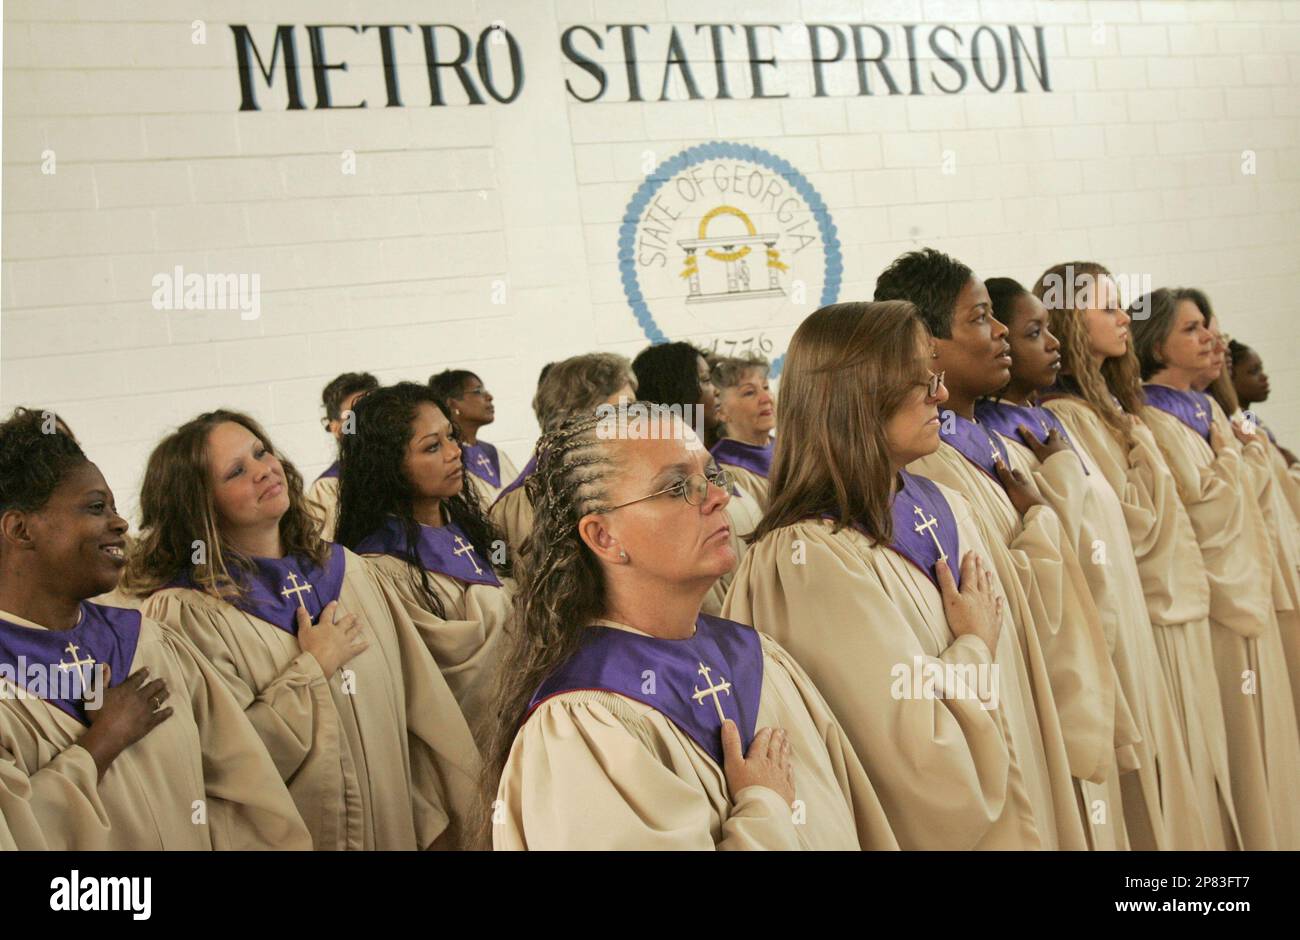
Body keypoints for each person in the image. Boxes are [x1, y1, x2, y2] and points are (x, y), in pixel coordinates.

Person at [724, 300, 1071, 849]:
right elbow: (917, 754)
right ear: (858, 395)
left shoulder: (947, 504)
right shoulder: (809, 559)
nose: (939, 393)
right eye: (918, 379)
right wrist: (975, 646)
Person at [486, 409, 898, 850]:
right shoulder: (585, 724)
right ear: (603, 536)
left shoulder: (757, 656)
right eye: (676, 487)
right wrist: (765, 808)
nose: (718, 496)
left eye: (712, 474)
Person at [124, 410, 482, 850]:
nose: (263, 471)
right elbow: (223, 765)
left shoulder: (348, 572)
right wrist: (312, 668)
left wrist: (441, 813)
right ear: (199, 504)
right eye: (237, 471)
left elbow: (420, 707)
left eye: (261, 452)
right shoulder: (185, 614)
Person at [874, 249, 1113, 849]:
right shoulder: (931, 465)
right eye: (981, 317)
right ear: (925, 343)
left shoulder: (976, 445)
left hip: (1027, 691)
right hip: (998, 706)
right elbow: (1012, 596)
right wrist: (1040, 514)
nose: (1001, 331)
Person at [0, 409, 310, 850]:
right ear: (20, 529)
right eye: (94, 507)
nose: (120, 522)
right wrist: (99, 747)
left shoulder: (146, 643)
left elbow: (244, 791)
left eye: (111, 505)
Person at [975, 277, 1205, 850]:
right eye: (1035, 332)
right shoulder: (1027, 430)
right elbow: (1073, 540)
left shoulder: (1047, 426)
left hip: (1123, 623)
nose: (1047, 343)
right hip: (1095, 636)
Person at [1034, 263, 1243, 850]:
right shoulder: (1064, 413)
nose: (1125, 317)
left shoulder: (1109, 408)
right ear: (1074, 317)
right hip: (1147, 614)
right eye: (1108, 307)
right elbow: (1133, 520)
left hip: (1171, 607)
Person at [1129, 287, 1300, 849]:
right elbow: (1201, 514)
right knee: (1239, 746)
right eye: (1192, 329)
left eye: (1208, 326)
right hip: (1217, 607)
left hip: (1253, 589)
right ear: (1155, 344)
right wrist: (1232, 455)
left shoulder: (1207, 411)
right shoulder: (1153, 416)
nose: (1210, 338)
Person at [335, 382, 511, 740]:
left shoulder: (472, 531)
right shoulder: (378, 567)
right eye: (432, 447)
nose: (453, 453)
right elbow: (424, 689)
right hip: (461, 747)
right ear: (389, 465)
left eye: (451, 437)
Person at [632, 342, 764, 617]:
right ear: (677, 389)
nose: (715, 390)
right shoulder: (663, 485)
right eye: (704, 381)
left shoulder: (720, 466)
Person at [491, 353, 637, 555]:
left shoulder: (640, 478)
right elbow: (501, 570)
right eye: (623, 410)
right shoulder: (511, 511)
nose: (637, 421)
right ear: (576, 418)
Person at [430, 369, 519, 507]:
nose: (489, 396)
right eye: (478, 391)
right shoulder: (448, 460)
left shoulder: (496, 454)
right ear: (452, 404)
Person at [308, 372, 379, 541]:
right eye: (354, 416)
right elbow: (328, 555)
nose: (367, 422)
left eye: (374, 411)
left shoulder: (408, 467)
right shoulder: (328, 487)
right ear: (336, 428)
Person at [709, 355, 776, 510]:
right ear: (720, 411)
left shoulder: (792, 450)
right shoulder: (721, 472)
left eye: (765, 387)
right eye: (749, 393)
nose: (766, 398)